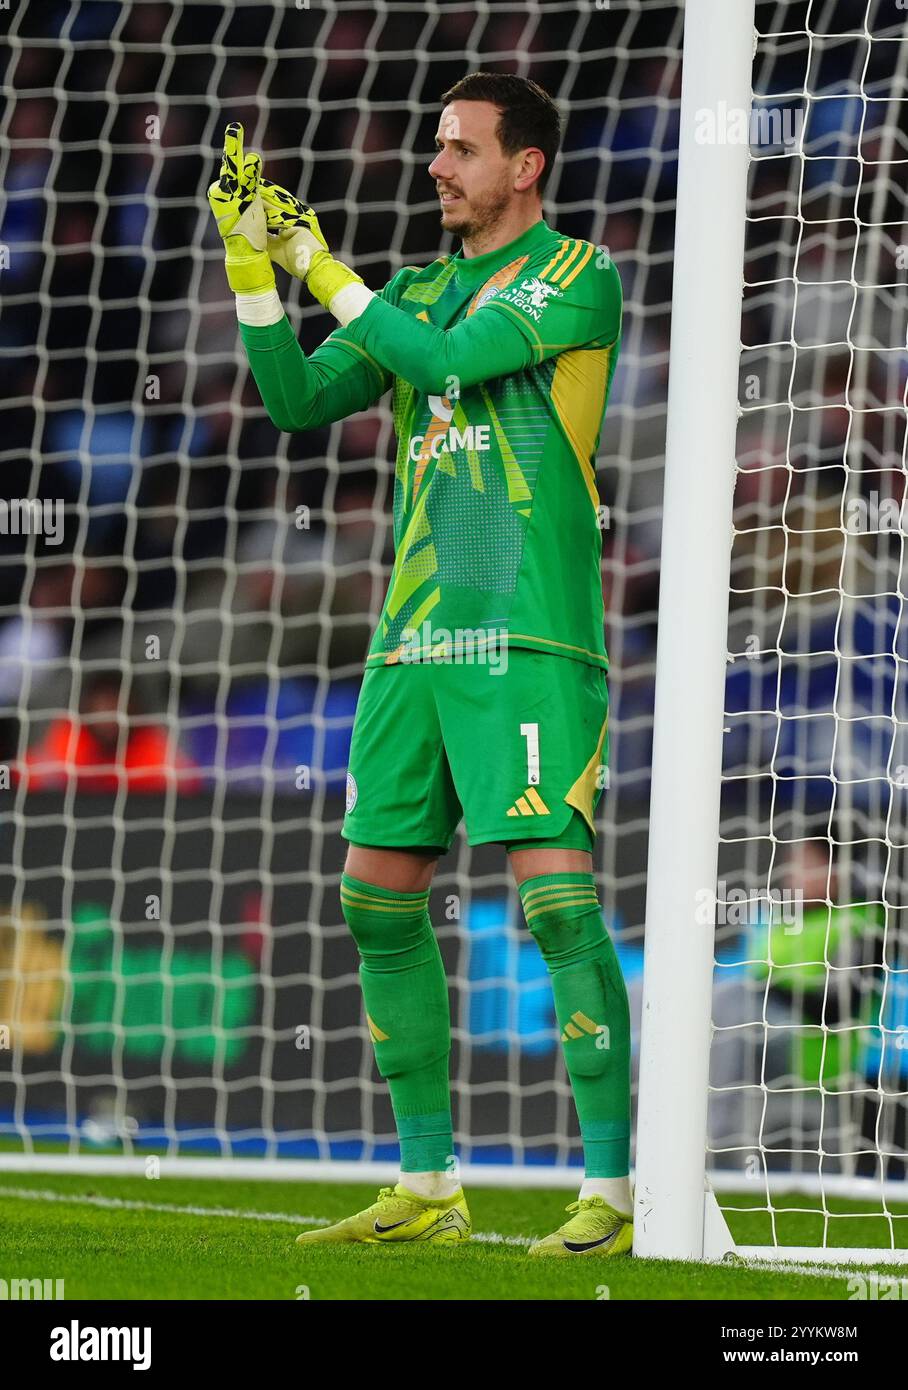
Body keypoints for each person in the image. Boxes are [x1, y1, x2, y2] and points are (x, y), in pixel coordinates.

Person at [208, 72, 631, 1256]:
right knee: (372, 900)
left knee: (553, 902)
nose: (435, 166)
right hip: (410, 636)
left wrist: (318, 264)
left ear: (525, 166)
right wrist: (254, 266)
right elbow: (295, 401)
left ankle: (609, 1193)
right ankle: (429, 1183)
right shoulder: (413, 286)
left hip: (524, 628)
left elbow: (446, 367)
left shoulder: (572, 274)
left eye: (460, 149)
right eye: (434, 147)